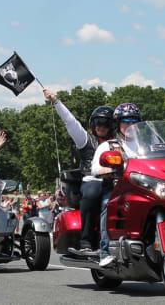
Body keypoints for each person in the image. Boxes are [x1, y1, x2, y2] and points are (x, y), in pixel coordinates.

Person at [44, 89, 115, 256]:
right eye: (97, 122)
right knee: (91, 194)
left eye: (105, 123)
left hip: (117, 181)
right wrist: (56, 101)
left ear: (112, 124)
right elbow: (70, 122)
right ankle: (86, 241)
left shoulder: (119, 141)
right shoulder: (85, 139)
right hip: (93, 179)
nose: (100, 126)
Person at [90, 102, 142, 268]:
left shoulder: (146, 145)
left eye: (134, 121)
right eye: (126, 121)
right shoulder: (110, 145)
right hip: (118, 189)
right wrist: (110, 169)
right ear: (118, 123)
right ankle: (105, 252)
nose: (130, 125)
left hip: (144, 189)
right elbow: (94, 169)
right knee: (107, 204)